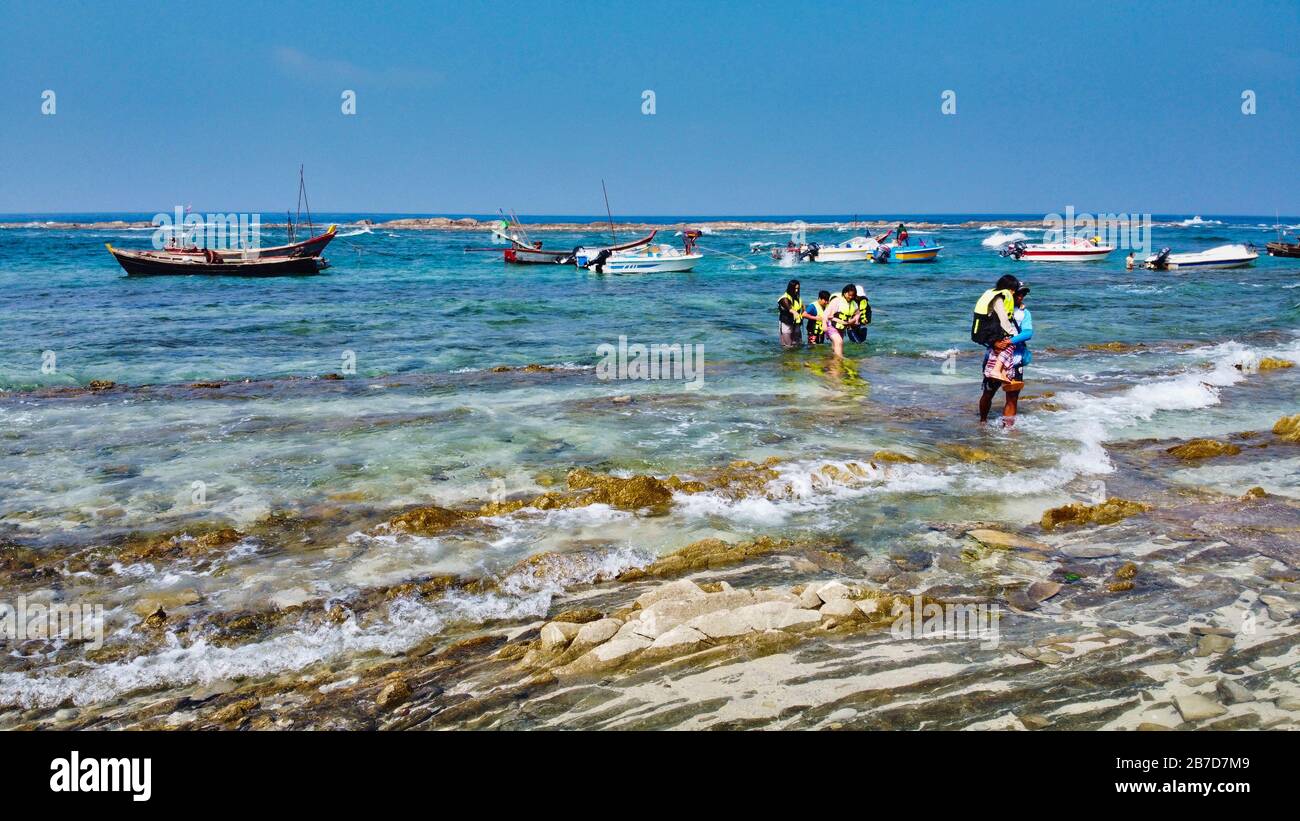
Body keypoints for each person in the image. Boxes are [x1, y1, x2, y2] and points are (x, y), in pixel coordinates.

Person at [972, 274, 1021, 422]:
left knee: (992, 393)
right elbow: (1004, 318)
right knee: (989, 392)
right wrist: (1011, 335)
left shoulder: (991, 295)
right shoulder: (999, 298)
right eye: (1014, 291)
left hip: (990, 337)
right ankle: (997, 371)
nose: (1014, 294)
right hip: (996, 338)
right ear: (1009, 289)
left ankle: (983, 423)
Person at [824, 284, 860, 358]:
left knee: (836, 345)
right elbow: (825, 313)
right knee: (839, 341)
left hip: (841, 328)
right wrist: (824, 324)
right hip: (831, 325)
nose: (850, 297)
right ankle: (839, 359)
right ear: (844, 292)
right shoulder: (837, 301)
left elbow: (858, 314)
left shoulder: (854, 304)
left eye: (852, 295)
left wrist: (854, 320)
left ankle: (831, 360)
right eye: (849, 295)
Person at [777, 279, 805, 348]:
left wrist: (804, 313)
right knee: (788, 346)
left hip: (796, 324)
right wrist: (795, 313)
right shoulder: (784, 299)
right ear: (790, 288)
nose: (796, 290)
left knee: (798, 344)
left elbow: (803, 308)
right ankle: (788, 358)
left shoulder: (797, 297)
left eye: (798, 289)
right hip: (787, 323)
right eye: (794, 289)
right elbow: (790, 309)